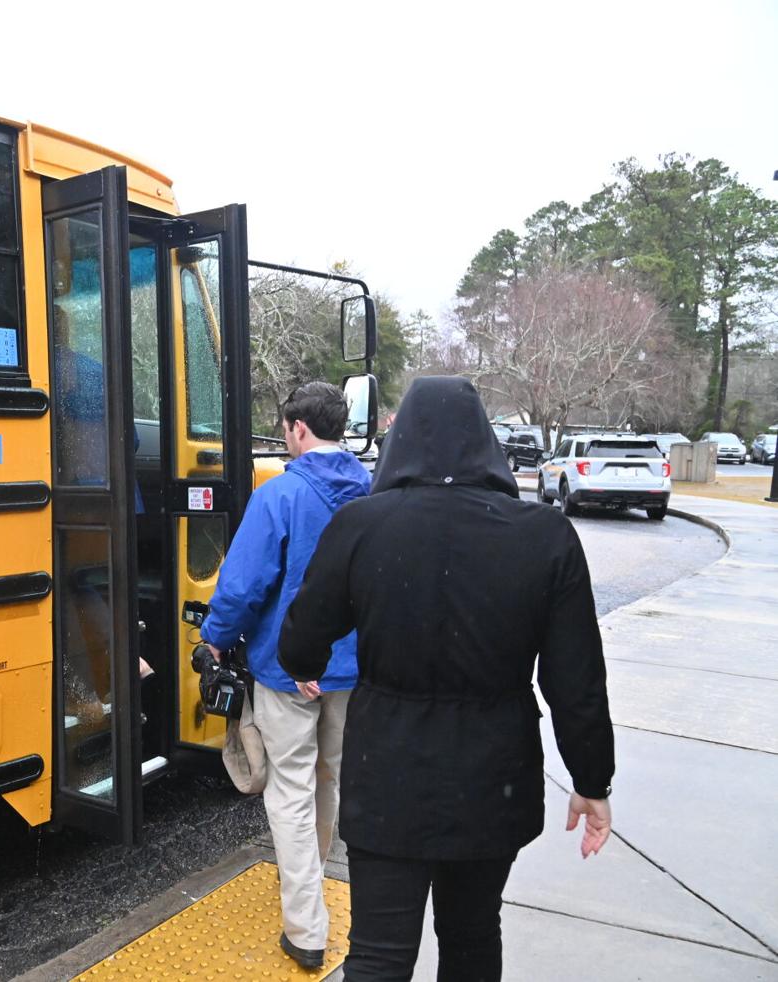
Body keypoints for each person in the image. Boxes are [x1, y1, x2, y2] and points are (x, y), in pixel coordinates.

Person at [279, 376, 615, 981]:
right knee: (473, 936)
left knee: (379, 953)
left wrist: (309, 667)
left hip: (387, 773)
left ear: (401, 441)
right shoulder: (545, 536)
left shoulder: (361, 526)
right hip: (493, 778)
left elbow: (301, 646)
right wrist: (592, 780)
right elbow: (577, 680)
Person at [199, 381, 371, 970]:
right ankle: (313, 884)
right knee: (330, 782)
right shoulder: (372, 492)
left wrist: (215, 639)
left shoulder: (279, 495)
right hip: (351, 672)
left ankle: (306, 928)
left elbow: (244, 585)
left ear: (298, 428)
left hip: (287, 669)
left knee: (291, 791)